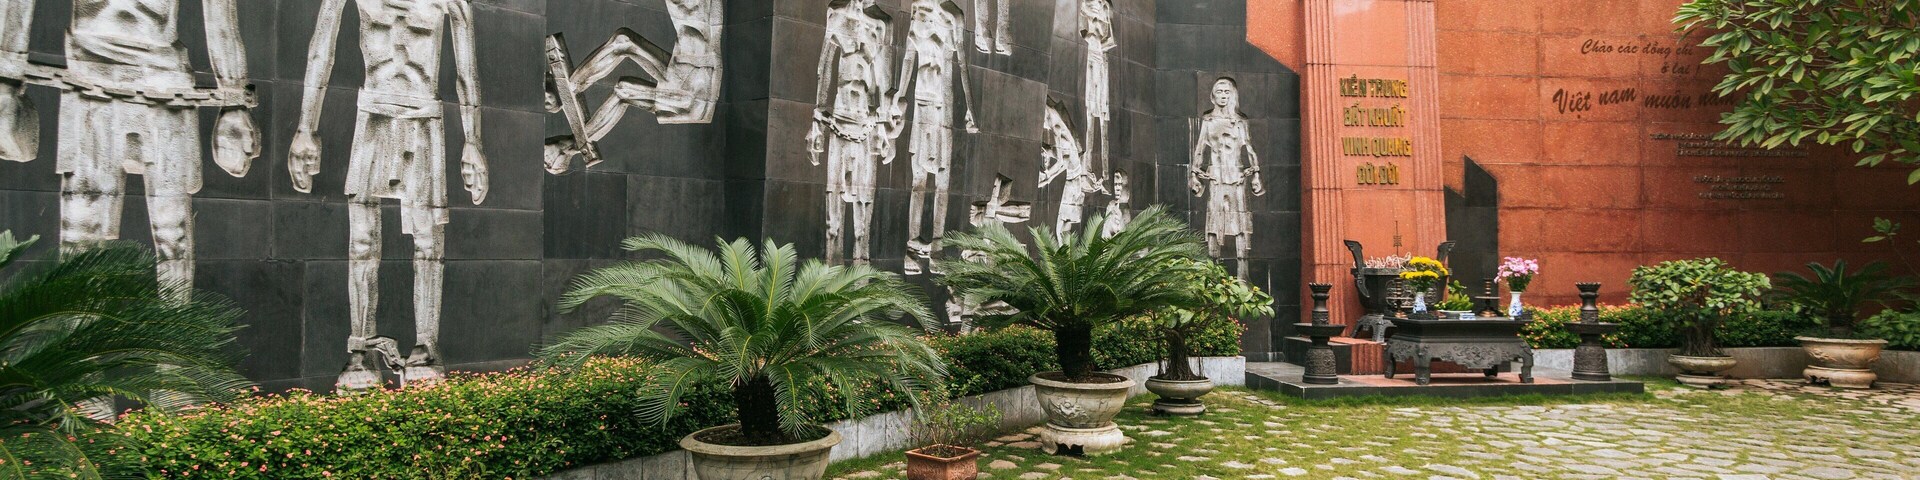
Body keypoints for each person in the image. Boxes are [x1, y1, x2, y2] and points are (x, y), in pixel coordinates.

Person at [289, 0, 489, 391]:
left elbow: (467, 72)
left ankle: (426, 347)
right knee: (362, 238)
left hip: (423, 117)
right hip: (374, 114)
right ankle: (358, 352)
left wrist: (473, 141)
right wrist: (305, 127)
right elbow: (320, 51)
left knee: (428, 240)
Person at [0, 0, 258, 300]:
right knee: (81, 230)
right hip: (90, 72)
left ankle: (172, 337)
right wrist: (6, 78)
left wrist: (234, 98)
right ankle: (81, 338)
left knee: (172, 235)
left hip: (162, 79)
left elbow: (218, 8)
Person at [894, 0, 977, 275]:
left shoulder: (953, 15)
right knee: (919, 175)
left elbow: (962, 62)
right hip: (921, 101)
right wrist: (899, 95)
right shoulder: (917, 14)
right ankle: (912, 242)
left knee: (942, 175)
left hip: (943, 102)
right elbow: (908, 58)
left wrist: (970, 108)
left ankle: (938, 243)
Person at [810, 0, 895, 265]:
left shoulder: (881, 24)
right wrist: (816, 119)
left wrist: (883, 127)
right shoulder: (836, 15)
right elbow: (823, 68)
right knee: (833, 205)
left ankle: (861, 276)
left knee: (862, 206)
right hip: (839, 117)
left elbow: (885, 79)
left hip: (866, 122)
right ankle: (830, 274)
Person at [1190, 78, 1265, 279]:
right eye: (1219, 91)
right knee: (1214, 223)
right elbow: (1199, 150)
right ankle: (1212, 275)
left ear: (1232, 95)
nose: (1223, 95)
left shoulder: (1240, 121)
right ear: (1212, 96)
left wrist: (1256, 174)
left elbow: (1249, 148)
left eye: (1227, 91)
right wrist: (1194, 175)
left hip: (1237, 176)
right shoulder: (1208, 121)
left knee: (1240, 224)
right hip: (1215, 177)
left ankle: (1243, 275)